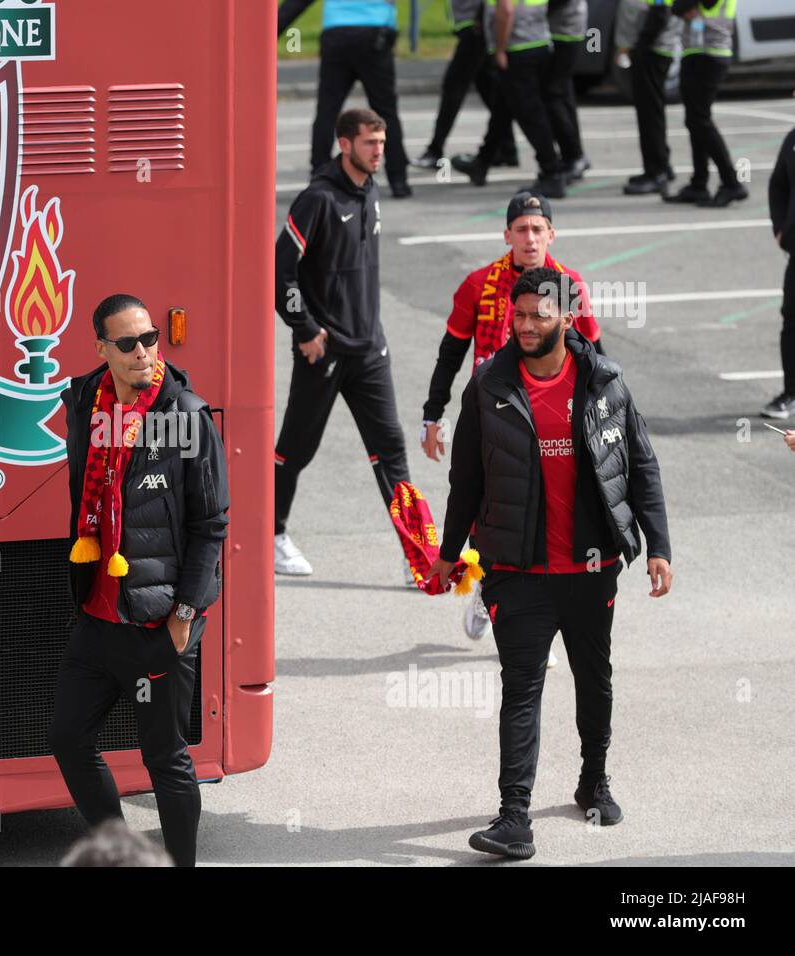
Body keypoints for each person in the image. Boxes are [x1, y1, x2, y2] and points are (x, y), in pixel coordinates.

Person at [430, 266, 672, 860]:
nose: (527, 324)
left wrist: (659, 547)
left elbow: (641, 464)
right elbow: (466, 478)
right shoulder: (488, 385)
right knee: (521, 689)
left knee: (595, 680)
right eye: (519, 315)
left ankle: (594, 780)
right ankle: (514, 817)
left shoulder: (605, 381)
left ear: (567, 317)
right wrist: (449, 555)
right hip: (518, 572)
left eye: (540, 315)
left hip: (591, 571)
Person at [48, 294, 230, 868]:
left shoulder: (186, 416)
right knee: (67, 737)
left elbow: (211, 524)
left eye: (150, 338)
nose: (143, 352)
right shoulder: (85, 401)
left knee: (165, 759)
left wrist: (184, 616)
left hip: (158, 622)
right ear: (101, 348)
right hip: (98, 616)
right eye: (127, 343)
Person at [420, 191, 603, 638]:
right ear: (507, 235)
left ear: (551, 234)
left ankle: (539, 615)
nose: (530, 238)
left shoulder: (570, 286)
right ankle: (489, 584)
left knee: (547, 507)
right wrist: (432, 416)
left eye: (538, 229)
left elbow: (595, 354)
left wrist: (603, 414)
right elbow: (450, 354)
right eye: (521, 229)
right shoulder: (478, 284)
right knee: (488, 504)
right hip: (493, 413)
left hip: (553, 415)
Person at [273, 108, 412, 577]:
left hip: (371, 351)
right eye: (371, 142)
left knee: (391, 449)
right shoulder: (318, 199)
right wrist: (305, 329)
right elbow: (280, 272)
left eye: (382, 142)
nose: (379, 151)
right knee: (295, 449)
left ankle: (417, 553)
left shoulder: (371, 189)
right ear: (345, 144)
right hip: (324, 352)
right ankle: (271, 534)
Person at [278, 0, 413, 198]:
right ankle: (398, 179)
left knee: (327, 111)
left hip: (337, 33)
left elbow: (295, 4)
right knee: (386, 112)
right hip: (375, 34)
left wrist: (269, 33)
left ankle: (319, 177)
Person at [452, 0, 568, 198]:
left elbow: (505, 9)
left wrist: (499, 49)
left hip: (516, 48)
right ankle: (483, 161)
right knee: (502, 109)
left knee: (530, 115)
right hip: (538, 40)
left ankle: (552, 172)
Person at [664, 0, 747, 207]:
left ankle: (731, 183)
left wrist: (682, 8)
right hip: (700, 53)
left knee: (700, 121)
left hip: (708, 54)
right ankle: (699, 184)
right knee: (695, 121)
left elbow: (679, 6)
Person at [414, 1, 497, 170]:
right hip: (476, 25)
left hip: (475, 26)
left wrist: (480, 18)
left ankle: (435, 149)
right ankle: (506, 148)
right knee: (488, 88)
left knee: (453, 87)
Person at [618, 0, 683, 196]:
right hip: (654, 48)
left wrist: (640, 46)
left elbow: (660, 12)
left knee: (649, 115)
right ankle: (661, 166)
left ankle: (656, 173)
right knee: (652, 112)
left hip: (653, 51)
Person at [762, 123, 795, 419]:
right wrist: (780, 229)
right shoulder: (793, 140)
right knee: (791, 319)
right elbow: (778, 185)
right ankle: (791, 392)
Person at [544, 0, 590, 183]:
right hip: (562, 29)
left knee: (554, 95)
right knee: (562, 94)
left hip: (563, 31)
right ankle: (574, 155)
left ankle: (573, 156)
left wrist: (538, 12)